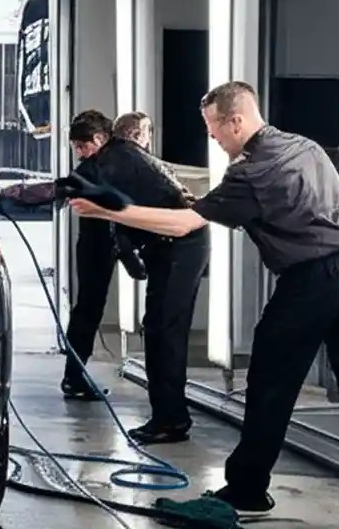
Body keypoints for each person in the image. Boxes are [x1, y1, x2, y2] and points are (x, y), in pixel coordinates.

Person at [70, 80, 339, 524]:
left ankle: (246, 489)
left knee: (269, 384)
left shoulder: (251, 171)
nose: (212, 138)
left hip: (314, 279)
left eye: (214, 128)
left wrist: (107, 210)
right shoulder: (304, 147)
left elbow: (184, 224)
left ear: (235, 120)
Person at [90, 110, 207, 445]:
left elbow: (123, 215)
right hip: (171, 248)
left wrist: (129, 256)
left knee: (164, 332)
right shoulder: (130, 161)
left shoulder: (126, 161)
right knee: (160, 330)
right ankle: (168, 417)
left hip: (178, 248)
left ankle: (170, 419)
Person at [58, 110, 119, 400]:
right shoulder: (90, 170)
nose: (80, 153)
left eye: (81, 147)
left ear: (98, 139)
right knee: (88, 311)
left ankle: (75, 374)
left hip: (100, 245)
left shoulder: (101, 166)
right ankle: (74, 375)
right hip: (96, 247)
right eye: (77, 148)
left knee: (88, 310)